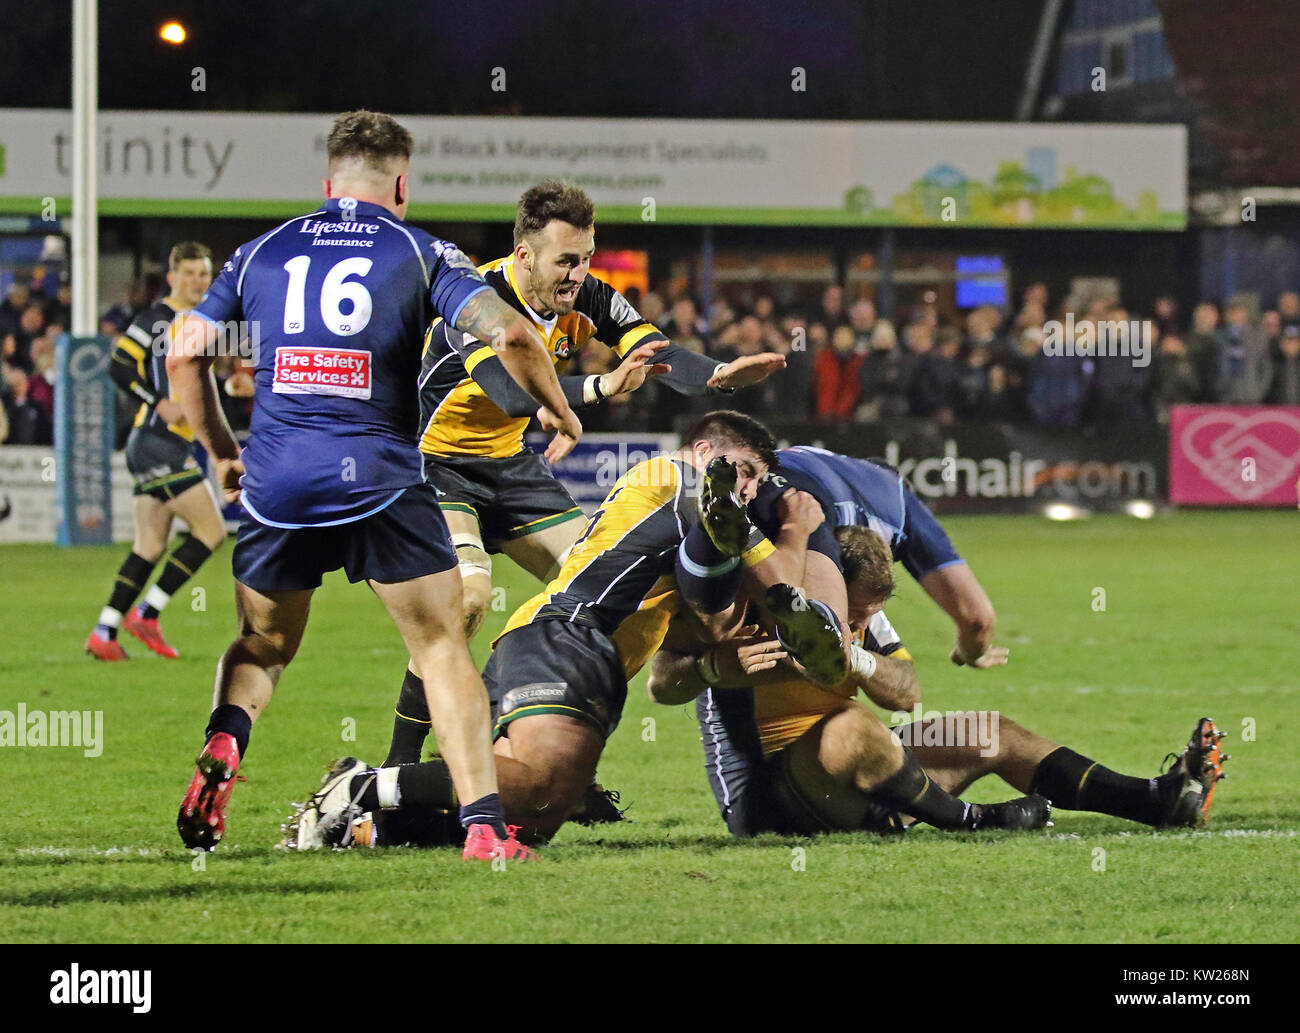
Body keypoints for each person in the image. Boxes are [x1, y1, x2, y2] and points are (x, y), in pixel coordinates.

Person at [168, 109, 581, 861]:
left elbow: (183, 350)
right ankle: (484, 829)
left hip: (278, 481)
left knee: (262, 642)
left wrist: (224, 451)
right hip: (380, 482)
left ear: (328, 184)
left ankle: (225, 747)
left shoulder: (261, 250)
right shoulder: (422, 252)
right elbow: (513, 334)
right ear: (400, 183)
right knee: (440, 646)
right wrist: (557, 406)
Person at [381, 182, 786, 782]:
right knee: (466, 601)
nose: (578, 273)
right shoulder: (475, 302)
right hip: (435, 468)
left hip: (512, 469)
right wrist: (599, 388)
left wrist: (720, 375)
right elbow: (510, 392)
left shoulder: (585, 296)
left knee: (621, 596)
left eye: (586, 257)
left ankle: (553, 740)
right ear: (524, 255)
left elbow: (652, 350)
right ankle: (400, 765)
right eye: (565, 260)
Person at [285, 411, 797, 849]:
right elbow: (782, 592)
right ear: (703, 451)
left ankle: (368, 829)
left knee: (532, 817)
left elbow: (700, 624)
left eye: (758, 483)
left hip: (565, 645)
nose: (749, 490)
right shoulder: (678, 478)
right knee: (538, 786)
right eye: (746, 472)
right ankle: (363, 785)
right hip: (569, 635)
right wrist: (797, 533)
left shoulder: (686, 521)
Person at [647, 528, 1227, 836]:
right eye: (856, 613)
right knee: (853, 727)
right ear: (823, 581)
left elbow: (908, 693)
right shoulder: (747, 602)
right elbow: (661, 684)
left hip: (860, 772)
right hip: (769, 798)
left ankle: (1155, 800)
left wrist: (860, 659)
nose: (862, 625)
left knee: (990, 732)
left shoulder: (860, 617)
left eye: (871, 616)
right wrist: (709, 669)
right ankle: (969, 822)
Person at [84, 243, 228, 661]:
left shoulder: (202, 323)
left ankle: (104, 632)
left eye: (203, 274)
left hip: (160, 445)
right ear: (171, 277)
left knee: (149, 545)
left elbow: (200, 387)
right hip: (154, 442)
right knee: (212, 531)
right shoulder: (155, 320)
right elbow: (119, 366)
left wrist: (232, 389)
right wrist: (156, 400)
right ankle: (147, 612)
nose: (197, 282)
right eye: (188, 274)